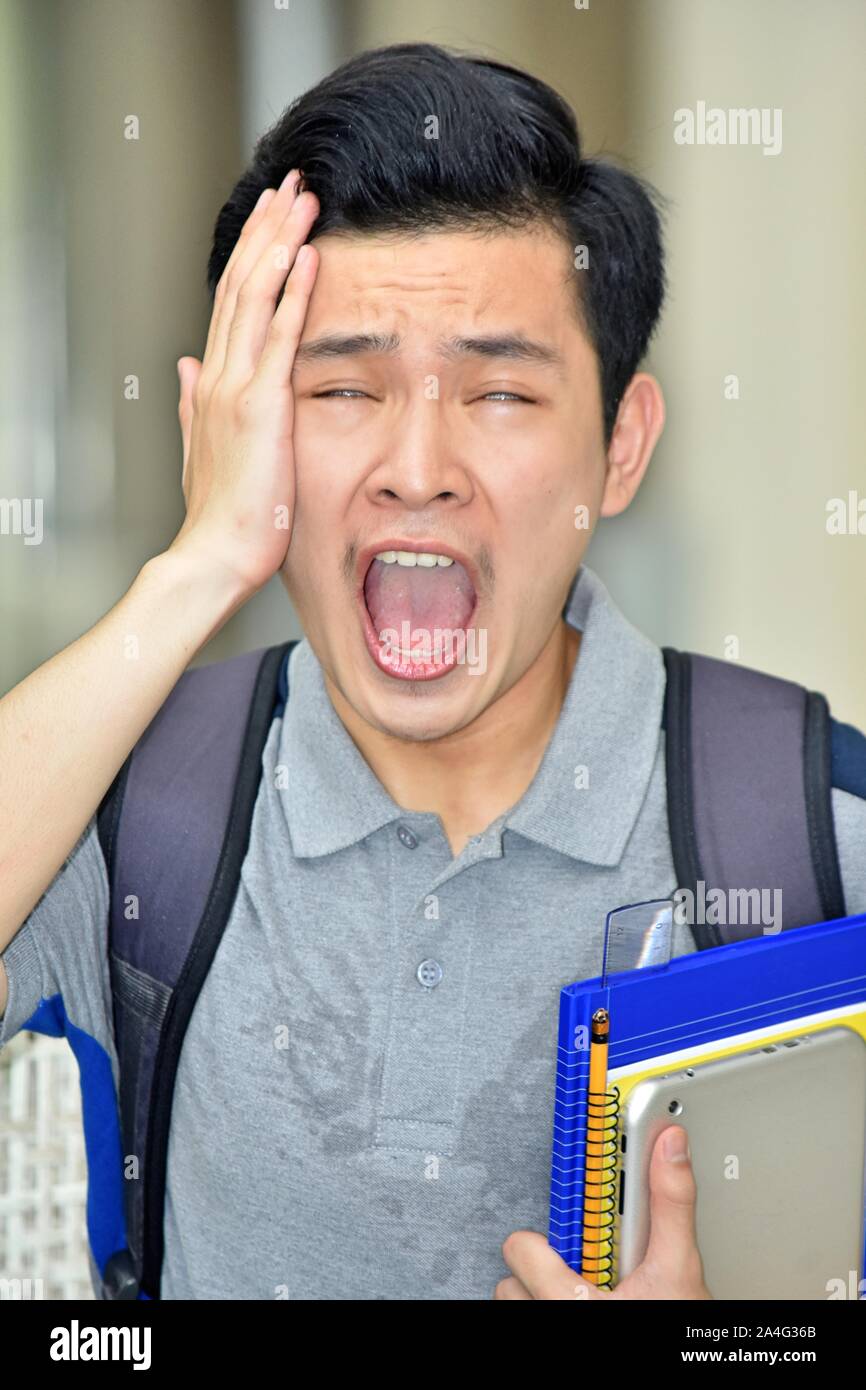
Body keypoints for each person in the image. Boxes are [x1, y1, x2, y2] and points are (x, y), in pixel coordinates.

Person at [2, 42, 864, 1302]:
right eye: (341, 387)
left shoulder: (811, 831)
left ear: (619, 448)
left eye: (499, 394)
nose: (417, 463)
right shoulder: (135, 821)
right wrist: (196, 565)